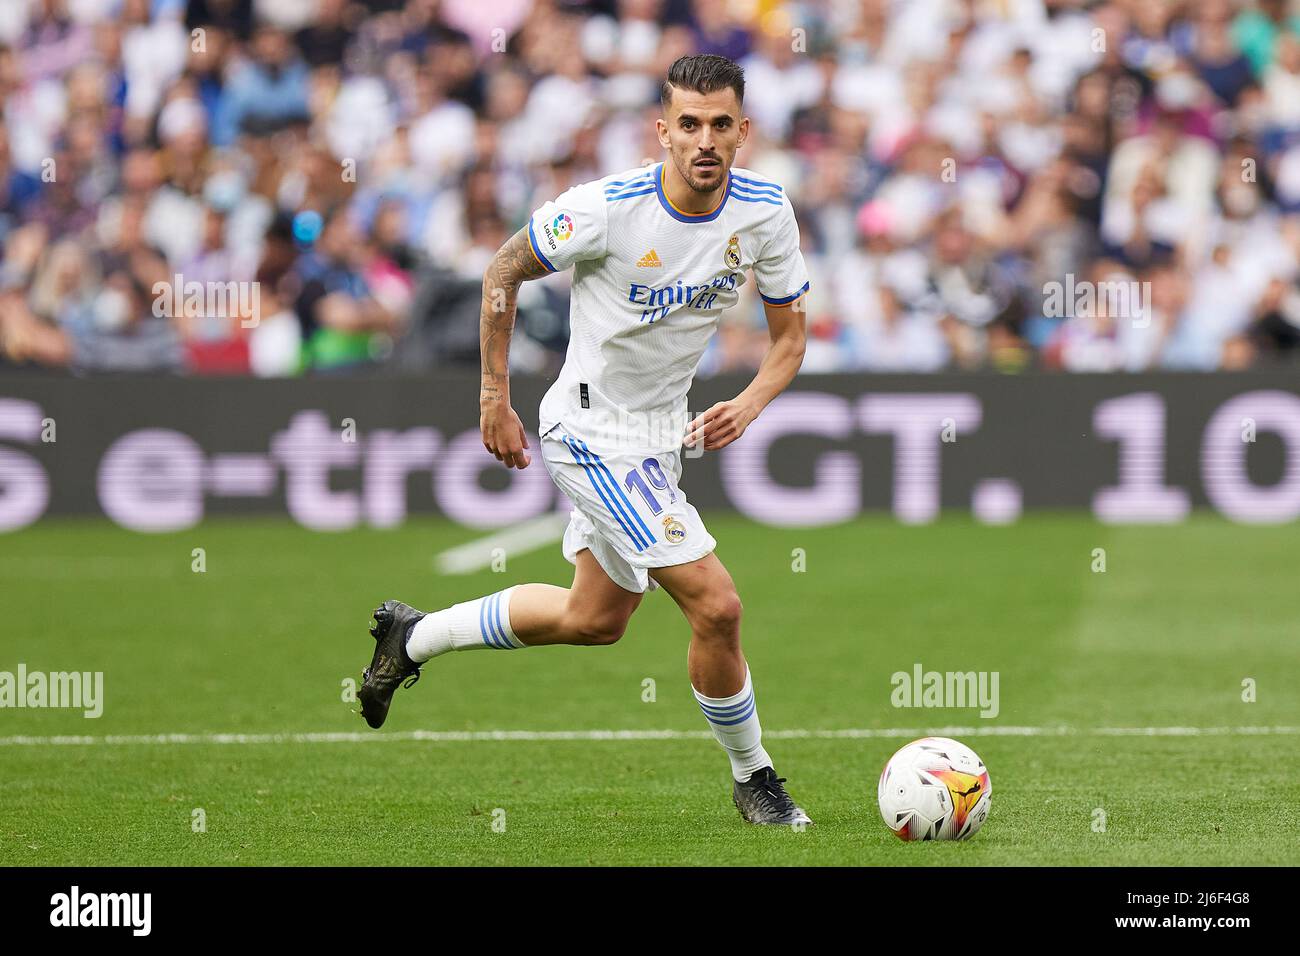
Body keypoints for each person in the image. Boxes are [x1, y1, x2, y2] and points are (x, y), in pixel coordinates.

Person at [356, 54, 812, 826]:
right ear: (662, 131)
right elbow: (503, 269)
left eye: (721, 125)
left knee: (593, 619)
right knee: (718, 604)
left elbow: (790, 337)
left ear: (745, 132)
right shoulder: (607, 207)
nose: (705, 140)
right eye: (689, 125)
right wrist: (495, 397)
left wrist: (752, 401)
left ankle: (413, 636)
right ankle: (755, 777)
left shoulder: (766, 211)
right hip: (591, 432)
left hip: (660, 439)